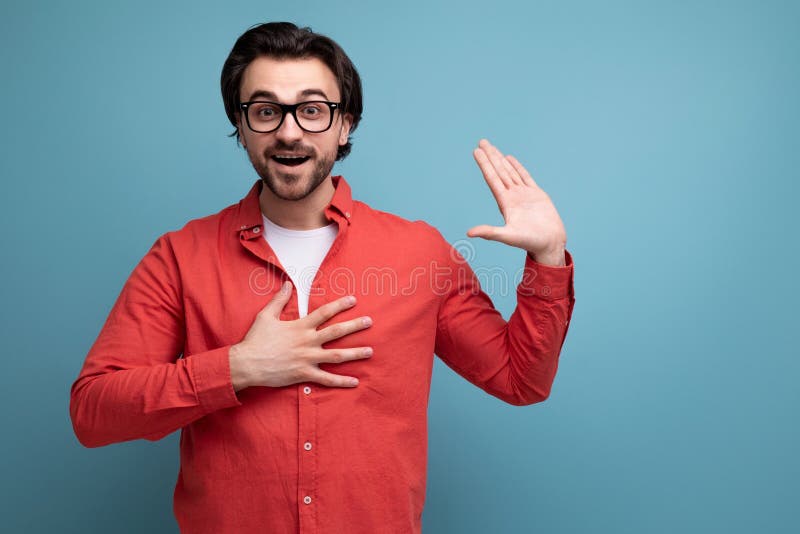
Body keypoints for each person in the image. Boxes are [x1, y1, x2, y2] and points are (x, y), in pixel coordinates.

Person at [69, 21, 575, 534]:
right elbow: (92, 413)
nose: (289, 132)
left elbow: (521, 380)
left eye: (312, 110)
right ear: (240, 125)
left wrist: (549, 258)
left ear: (344, 125)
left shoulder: (420, 253)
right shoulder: (180, 256)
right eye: (266, 111)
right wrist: (237, 368)